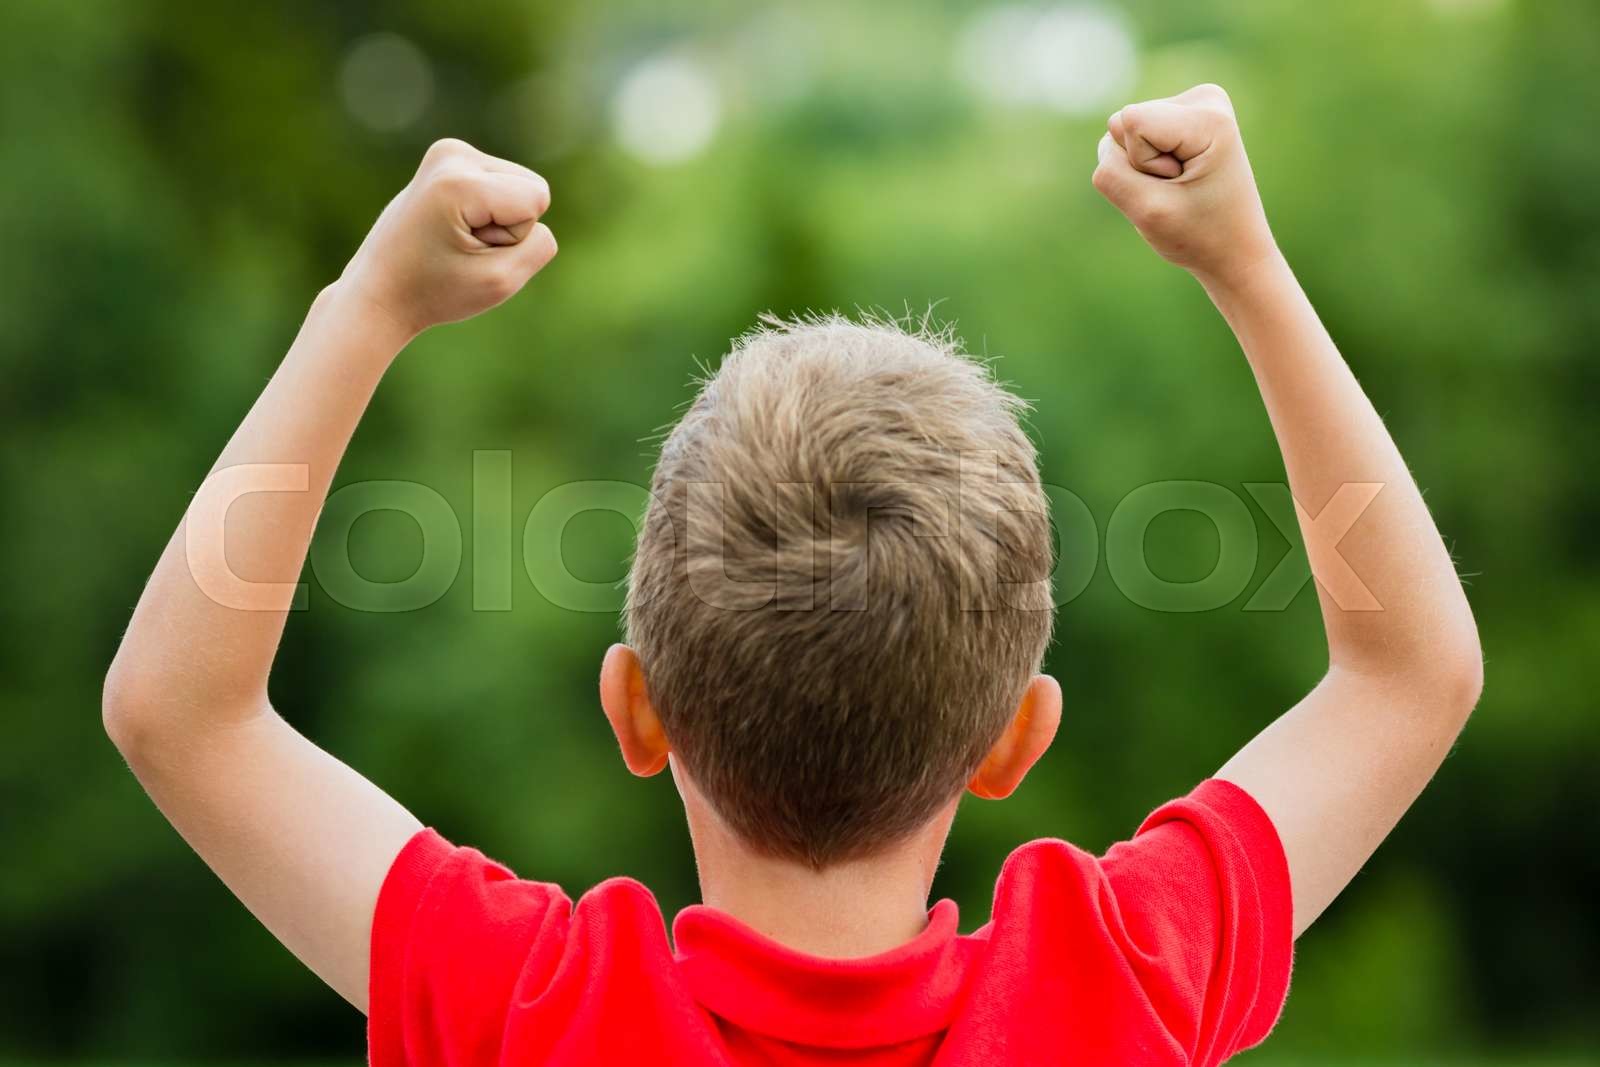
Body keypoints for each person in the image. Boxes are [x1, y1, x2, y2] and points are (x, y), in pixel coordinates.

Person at [103, 84, 1482, 1065]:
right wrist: (1246, 267)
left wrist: (365, 310)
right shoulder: (1113, 986)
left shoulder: (529, 1011)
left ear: (634, 709)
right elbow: (1410, 674)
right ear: (1015, 741)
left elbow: (182, 713)